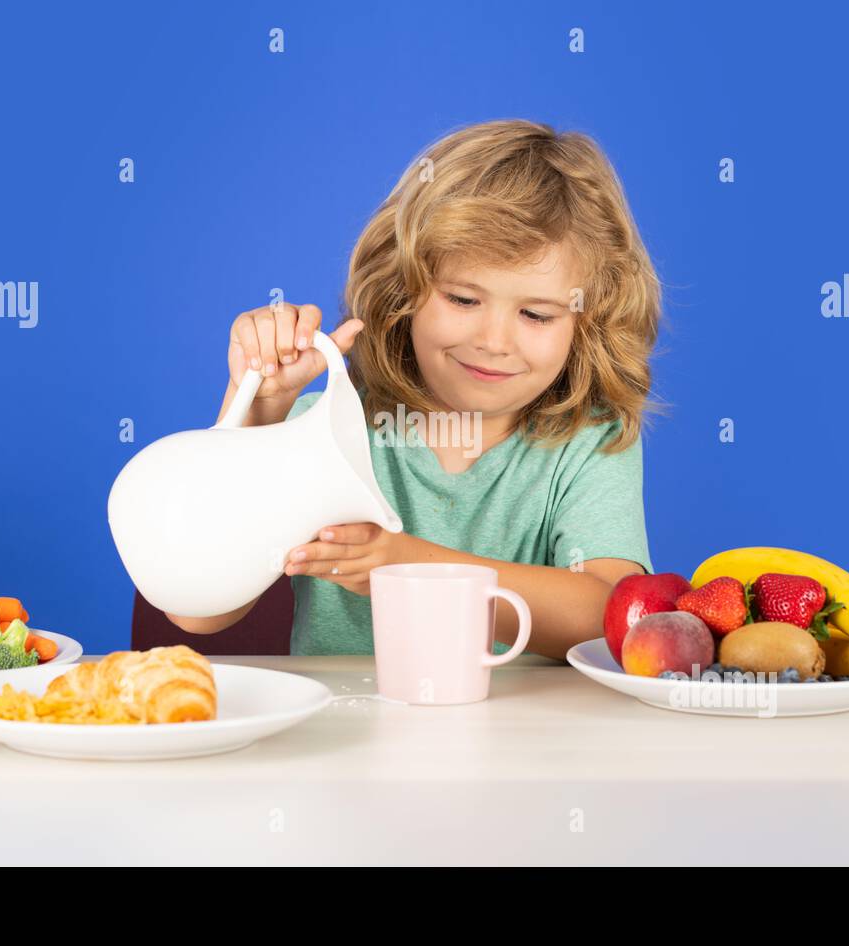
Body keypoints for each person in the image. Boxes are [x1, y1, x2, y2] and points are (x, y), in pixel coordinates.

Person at [170, 119, 660, 660]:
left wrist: (406, 565)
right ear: (403, 292)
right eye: (463, 300)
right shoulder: (326, 430)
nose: (494, 341)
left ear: (587, 324)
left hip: (530, 744)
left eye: (536, 314)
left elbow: (607, 614)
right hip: (350, 739)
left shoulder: (589, 441)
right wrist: (257, 416)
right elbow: (197, 608)